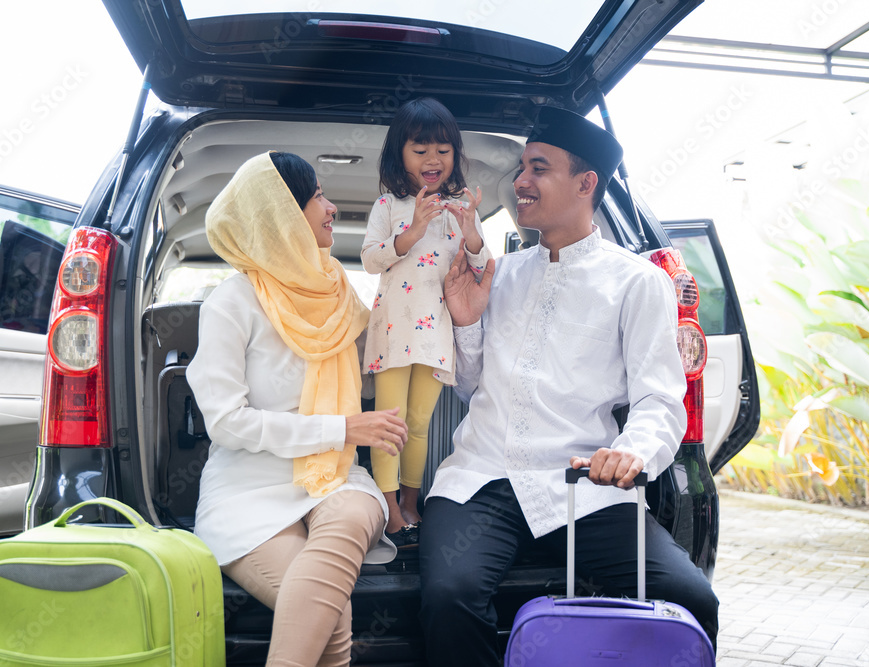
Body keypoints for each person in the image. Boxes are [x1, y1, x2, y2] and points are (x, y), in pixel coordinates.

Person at [418, 106, 719, 666]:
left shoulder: (640, 281)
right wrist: (464, 321)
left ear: (586, 184)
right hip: (480, 480)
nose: (520, 183)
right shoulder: (500, 274)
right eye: (522, 169)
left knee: (691, 597)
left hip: (584, 488)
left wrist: (630, 455)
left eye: (538, 169)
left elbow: (661, 399)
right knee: (448, 595)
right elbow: (468, 385)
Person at [188, 151, 408, 667]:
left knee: (354, 513)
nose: (331, 208)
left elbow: (379, 372)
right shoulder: (231, 303)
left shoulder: (339, 293)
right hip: (248, 491)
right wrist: (344, 428)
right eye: (317, 197)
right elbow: (225, 422)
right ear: (282, 214)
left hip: (334, 479)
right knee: (328, 617)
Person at [360, 97, 493, 546]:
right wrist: (412, 231)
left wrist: (471, 230)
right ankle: (388, 507)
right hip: (393, 332)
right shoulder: (388, 204)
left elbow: (482, 266)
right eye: (420, 150)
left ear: (455, 154)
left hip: (437, 334)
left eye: (442, 149)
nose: (433, 159)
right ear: (399, 153)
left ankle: (411, 502)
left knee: (418, 424)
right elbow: (370, 259)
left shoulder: (459, 209)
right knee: (388, 424)